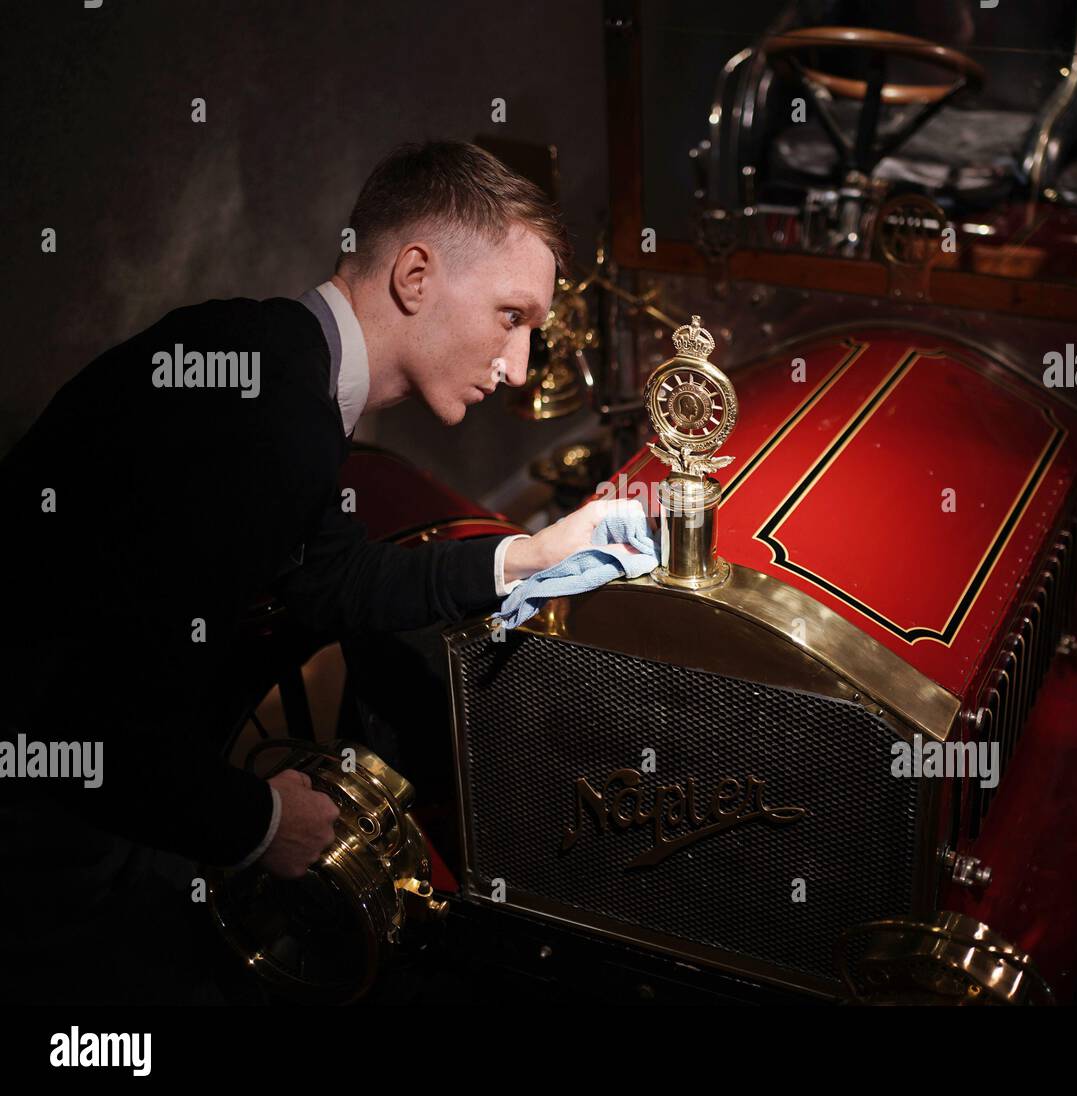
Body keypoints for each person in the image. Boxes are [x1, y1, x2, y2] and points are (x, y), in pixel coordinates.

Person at [0, 140, 631, 999]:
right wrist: (262, 823)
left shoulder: (272, 360)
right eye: (510, 317)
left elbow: (336, 580)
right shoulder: (270, 424)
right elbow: (96, 733)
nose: (518, 367)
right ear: (415, 277)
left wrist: (532, 554)